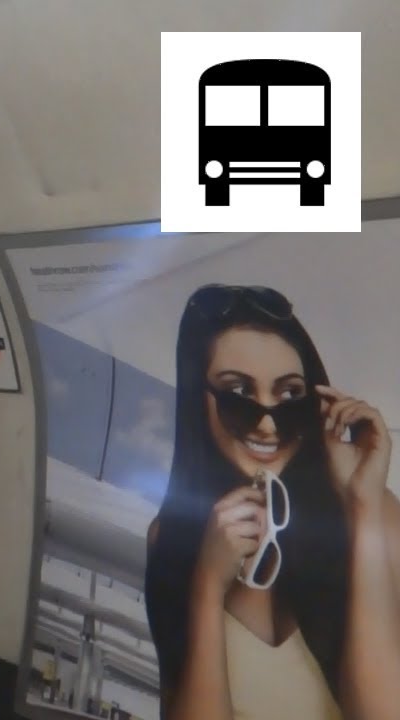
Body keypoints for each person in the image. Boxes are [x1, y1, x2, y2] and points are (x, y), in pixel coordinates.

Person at [144, 284, 400, 720]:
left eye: (288, 396)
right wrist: (207, 586)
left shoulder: (376, 512)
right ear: (197, 399)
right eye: (239, 395)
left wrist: (362, 506)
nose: (267, 425)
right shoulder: (172, 538)